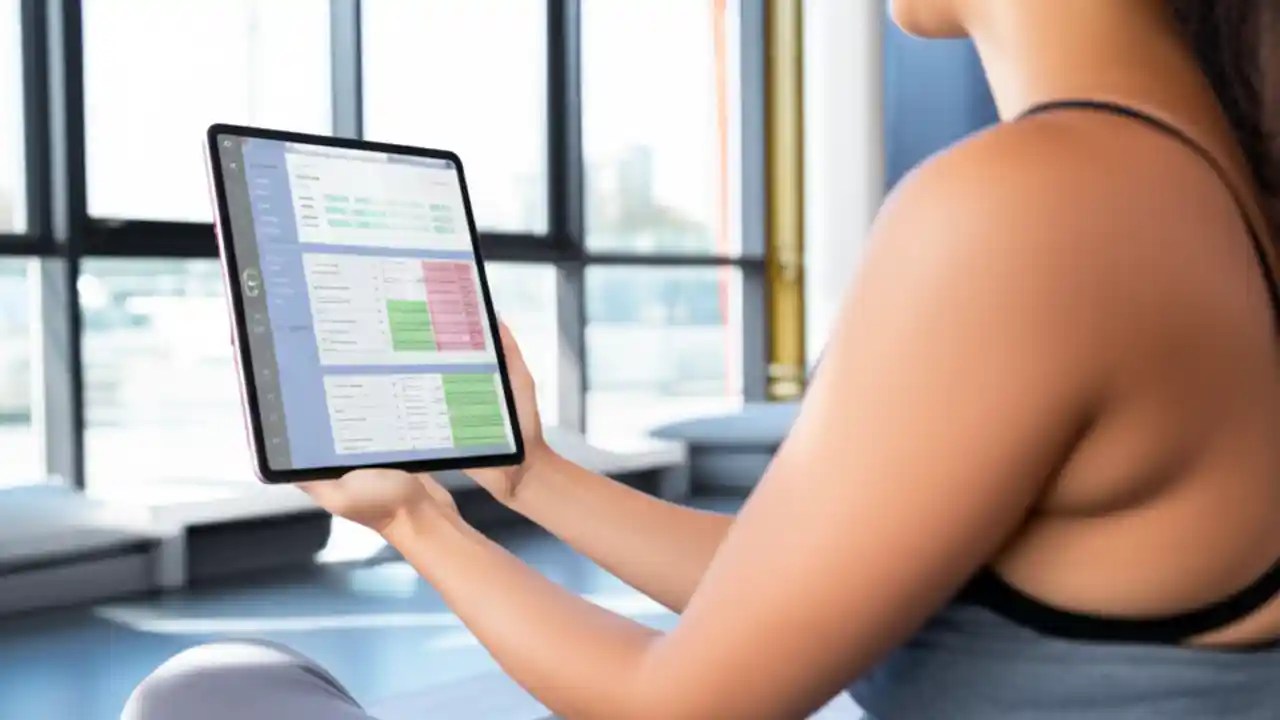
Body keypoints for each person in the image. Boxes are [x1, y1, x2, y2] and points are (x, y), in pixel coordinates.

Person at [126, 1, 1280, 718]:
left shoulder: (1034, 204)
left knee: (210, 694)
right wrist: (527, 473)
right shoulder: (1212, 196)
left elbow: (686, 710)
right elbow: (800, 591)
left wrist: (419, 525)